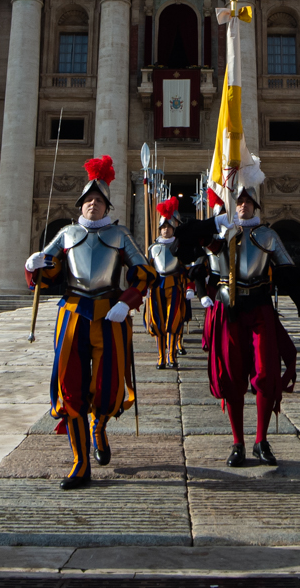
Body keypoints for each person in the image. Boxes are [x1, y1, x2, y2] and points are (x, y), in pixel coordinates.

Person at [25, 156, 154, 488]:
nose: (92, 205)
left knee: (110, 388)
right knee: (71, 387)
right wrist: (34, 265)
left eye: (98, 200)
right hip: (72, 313)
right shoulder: (66, 234)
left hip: (111, 313)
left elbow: (144, 275)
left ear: (107, 206)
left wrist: (127, 303)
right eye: (88, 201)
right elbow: (48, 273)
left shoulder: (120, 234)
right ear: (80, 206)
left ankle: (100, 426)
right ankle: (80, 463)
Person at [200, 170, 300, 466]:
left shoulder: (268, 235)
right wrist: (215, 220)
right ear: (232, 205)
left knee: (265, 374)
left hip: (261, 308)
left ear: (256, 207)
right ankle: (238, 442)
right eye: (239, 202)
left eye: (249, 202)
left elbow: (288, 273)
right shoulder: (220, 236)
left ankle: (261, 440)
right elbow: (191, 251)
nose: (243, 206)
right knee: (232, 376)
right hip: (229, 309)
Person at [143, 201, 194, 369]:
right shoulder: (152, 248)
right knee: (158, 322)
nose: (166, 230)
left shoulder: (180, 246)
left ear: (174, 228)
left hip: (174, 285)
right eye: (163, 227)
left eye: (169, 227)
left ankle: (171, 355)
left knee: (172, 320)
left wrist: (190, 287)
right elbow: (146, 269)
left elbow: (187, 268)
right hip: (157, 286)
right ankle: (161, 357)